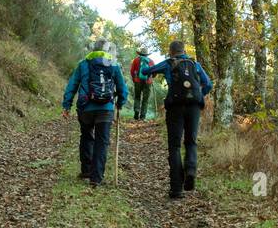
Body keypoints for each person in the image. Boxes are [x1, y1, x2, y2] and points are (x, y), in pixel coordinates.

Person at [141, 40, 212, 199]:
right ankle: (191, 170)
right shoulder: (195, 64)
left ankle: (176, 189)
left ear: (171, 51)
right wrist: (199, 94)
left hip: (175, 107)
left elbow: (146, 71)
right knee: (191, 142)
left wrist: (147, 65)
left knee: (174, 146)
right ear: (184, 50)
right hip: (194, 107)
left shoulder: (168, 63)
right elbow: (208, 84)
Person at [61, 40, 128, 187]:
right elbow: (123, 88)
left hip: (85, 108)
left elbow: (72, 85)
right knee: (102, 142)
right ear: (107, 50)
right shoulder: (113, 65)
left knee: (86, 136)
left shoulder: (83, 63)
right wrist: (120, 103)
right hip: (105, 108)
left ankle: (86, 170)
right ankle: (96, 178)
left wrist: (67, 105)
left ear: (93, 49)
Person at [129, 47, 154, 120]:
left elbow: (132, 71)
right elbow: (154, 71)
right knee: (145, 99)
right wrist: (152, 78)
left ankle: (136, 112)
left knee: (137, 97)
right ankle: (143, 116)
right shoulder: (151, 61)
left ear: (140, 53)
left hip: (137, 81)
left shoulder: (136, 60)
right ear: (147, 54)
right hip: (148, 82)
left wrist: (134, 79)